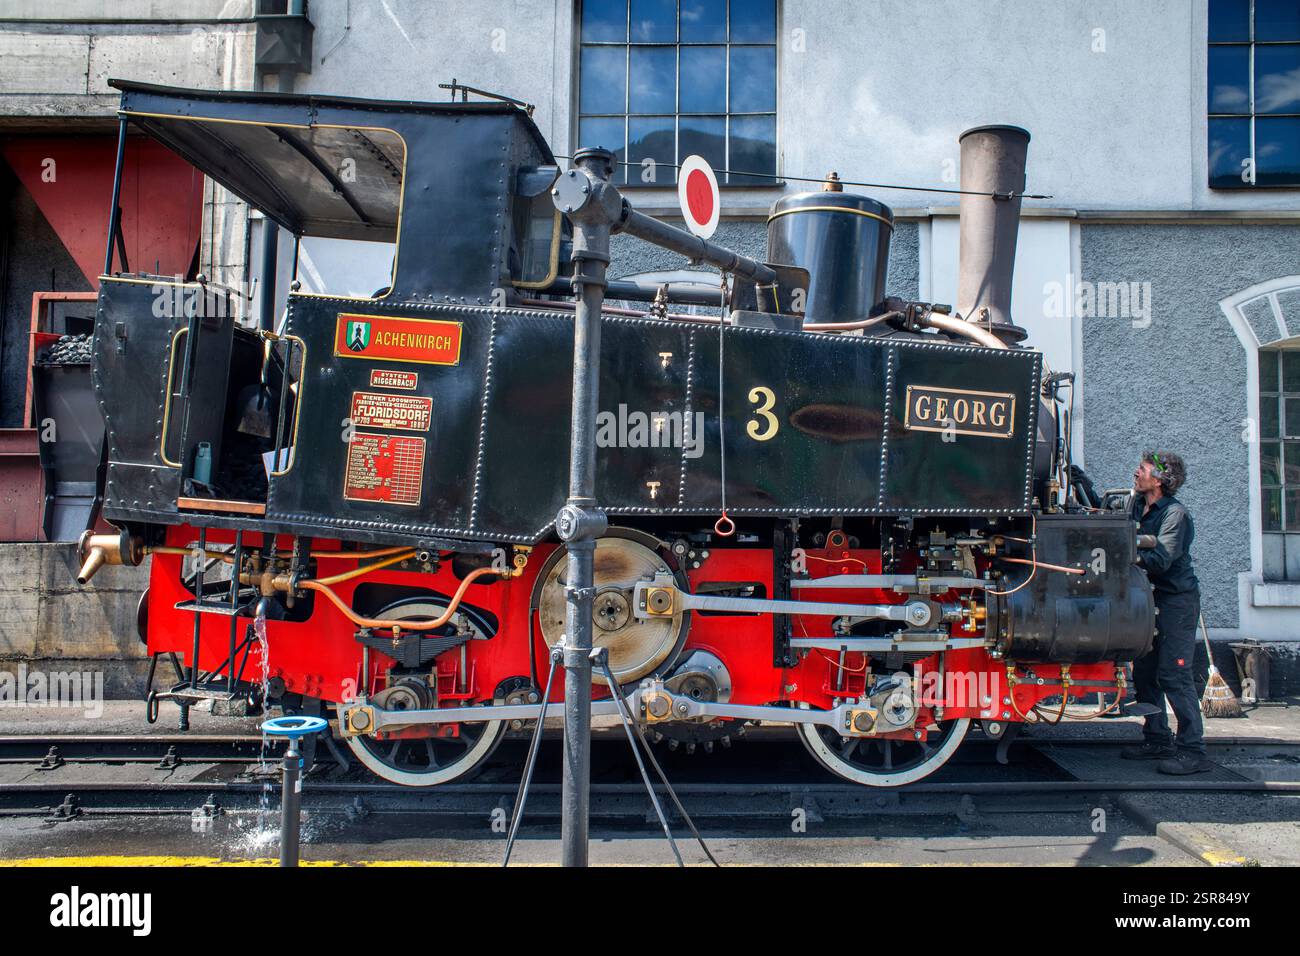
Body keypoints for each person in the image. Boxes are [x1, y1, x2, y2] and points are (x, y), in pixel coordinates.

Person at [1121, 451, 1210, 774]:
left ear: (1159, 479)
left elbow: (1161, 559)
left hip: (1177, 602)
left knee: (1174, 674)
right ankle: (1157, 738)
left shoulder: (1176, 515)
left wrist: (1122, 551)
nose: (1136, 471)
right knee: (1145, 672)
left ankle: (1193, 750)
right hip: (1148, 600)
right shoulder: (1135, 506)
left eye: (1143, 469)